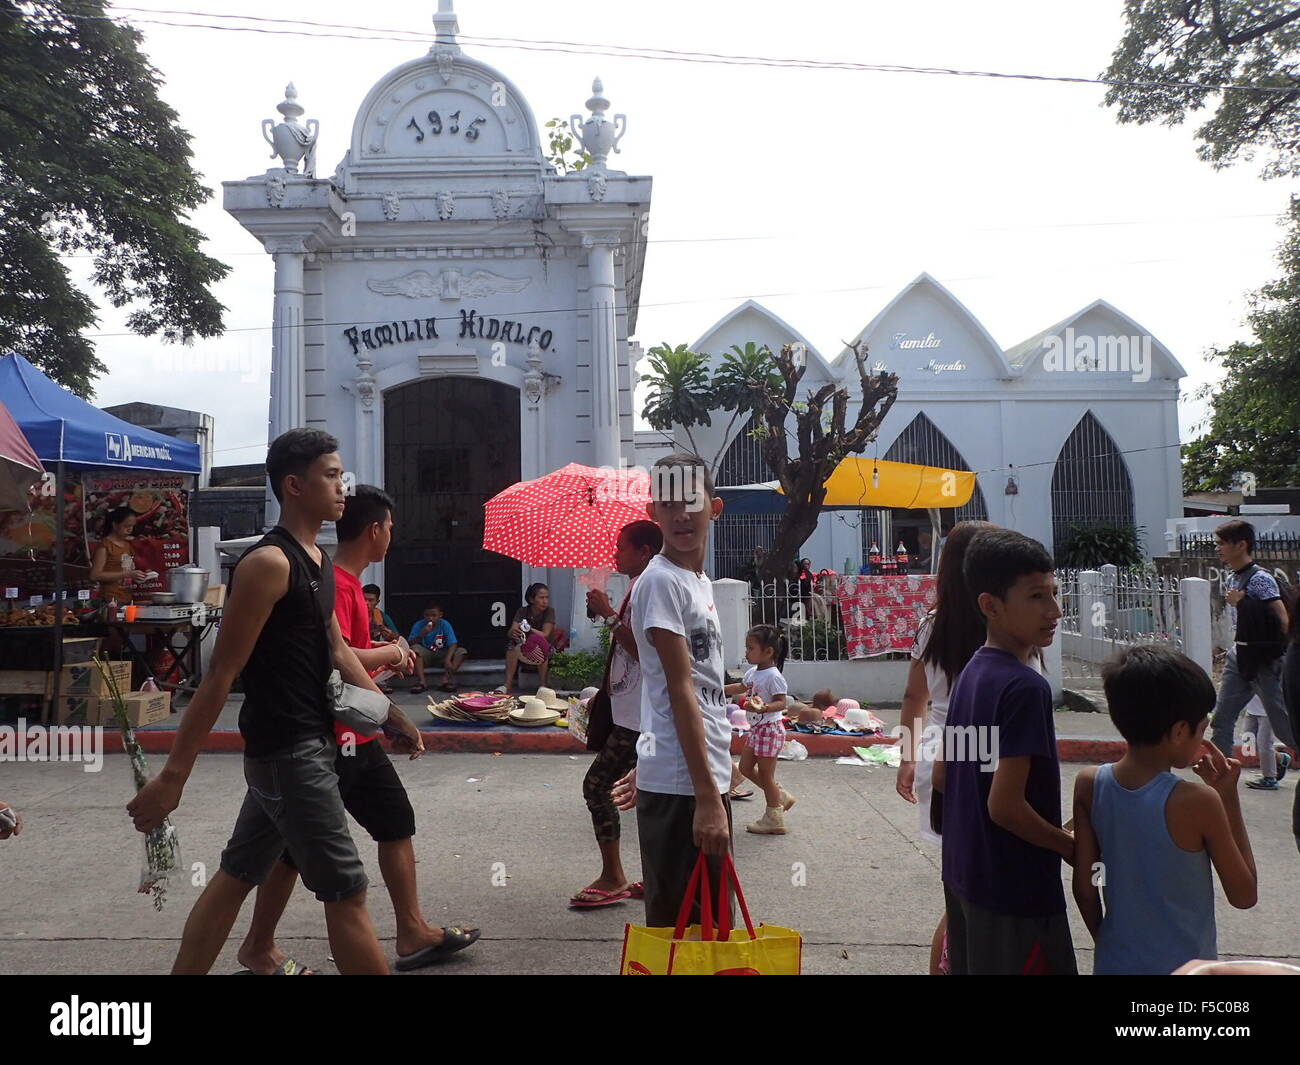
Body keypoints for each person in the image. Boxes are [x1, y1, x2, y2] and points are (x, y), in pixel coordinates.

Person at [126, 428, 426, 975]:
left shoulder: (315, 559)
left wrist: (391, 716)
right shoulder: (269, 564)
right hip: (289, 751)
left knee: (238, 875)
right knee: (347, 892)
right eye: (331, 476)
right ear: (294, 485)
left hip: (300, 748)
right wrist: (173, 777)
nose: (342, 488)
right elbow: (220, 674)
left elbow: (336, 648)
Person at [235, 485, 478, 974]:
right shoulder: (334, 581)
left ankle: (406, 930)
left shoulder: (333, 577)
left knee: (360, 831)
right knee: (318, 858)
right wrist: (391, 668)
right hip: (333, 738)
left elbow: (345, 657)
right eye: (391, 527)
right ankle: (264, 946)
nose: (392, 536)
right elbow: (337, 656)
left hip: (342, 734)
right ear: (375, 531)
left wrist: (386, 692)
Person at [1071, 645, 1257, 975]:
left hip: (1116, 963)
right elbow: (1244, 894)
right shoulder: (1199, 802)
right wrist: (1228, 796)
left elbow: (1085, 888)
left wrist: (1109, 944)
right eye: (1202, 727)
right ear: (1180, 731)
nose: (1204, 736)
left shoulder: (1090, 785)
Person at [938, 528, 1074, 975]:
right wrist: (1069, 846)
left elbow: (945, 776)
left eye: (1055, 593)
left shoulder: (971, 673)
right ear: (990, 606)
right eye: (1036, 597)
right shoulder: (1025, 687)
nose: (1054, 610)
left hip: (964, 877)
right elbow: (1005, 806)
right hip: (1016, 893)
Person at [611, 453, 733, 928]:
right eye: (668, 502)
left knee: (708, 929)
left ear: (714, 507)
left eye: (692, 499)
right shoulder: (661, 581)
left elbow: (694, 687)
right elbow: (679, 689)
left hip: (697, 776)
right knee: (683, 933)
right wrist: (705, 796)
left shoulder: (695, 580)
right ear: (652, 513)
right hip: (687, 788)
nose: (682, 513)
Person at [895, 519, 994, 974]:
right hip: (986, 754)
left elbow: (915, 696)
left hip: (940, 750)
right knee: (977, 890)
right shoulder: (999, 620)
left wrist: (908, 758)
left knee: (957, 889)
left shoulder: (932, 623)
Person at [569, 519, 663, 909]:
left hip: (642, 718)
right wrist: (604, 694)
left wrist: (609, 615)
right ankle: (657, 875)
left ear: (644, 552)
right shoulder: (638, 586)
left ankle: (614, 876)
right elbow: (626, 651)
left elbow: (647, 652)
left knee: (598, 786)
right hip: (627, 709)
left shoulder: (651, 587)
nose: (615, 554)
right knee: (653, 794)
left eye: (623, 547)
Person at [1209, 520, 1294, 758]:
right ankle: (1221, 779)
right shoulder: (1232, 578)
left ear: (1241, 545)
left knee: (1284, 725)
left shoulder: (1260, 579)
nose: (1217, 548)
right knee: (1221, 719)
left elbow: (1283, 620)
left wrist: (1244, 602)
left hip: (1265, 661)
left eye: (1222, 543)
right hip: (1240, 657)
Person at [728, 624, 795, 834]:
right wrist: (714, 689)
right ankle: (779, 795)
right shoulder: (753, 672)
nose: (746, 653)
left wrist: (764, 707)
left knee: (766, 775)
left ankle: (774, 818)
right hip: (757, 730)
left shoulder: (774, 676)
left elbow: (782, 702)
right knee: (746, 769)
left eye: (750, 649)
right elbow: (741, 687)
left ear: (768, 652)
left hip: (770, 729)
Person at [499, 583, 556, 695]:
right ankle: (507, 685)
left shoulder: (549, 611)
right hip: (525, 645)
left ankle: (543, 685)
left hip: (546, 647)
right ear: (531, 599)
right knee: (512, 646)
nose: (545, 601)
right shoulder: (522, 611)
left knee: (542, 646)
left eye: (547, 598)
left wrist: (529, 629)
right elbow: (511, 631)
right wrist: (514, 632)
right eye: (541, 598)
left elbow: (545, 634)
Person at [408, 602, 468, 694]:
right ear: (424, 615)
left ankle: (445, 680)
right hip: (426, 654)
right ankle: (422, 682)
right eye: (427, 615)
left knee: (461, 652)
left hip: (442, 654)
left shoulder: (445, 624)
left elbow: (453, 643)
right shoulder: (419, 625)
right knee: (415, 649)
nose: (430, 618)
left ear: (440, 615)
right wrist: (421, 635)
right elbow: (410, 643)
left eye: (434, 615)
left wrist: (448, 660)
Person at [88, 506, 138, 605]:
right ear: (115, 525)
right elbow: (95, 575)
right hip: (110, 600)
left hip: (127, 598)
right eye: (126, 526)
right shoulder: (105, 545)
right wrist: (127, 574)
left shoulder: (127, 545)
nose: (130, 529)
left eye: (132, 526)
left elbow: (128, 569)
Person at [1242, 695, 1291, 790]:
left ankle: (1270, 778)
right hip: (1251, 709)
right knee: (1249, 743)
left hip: (1268, 711)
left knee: (1264, 744)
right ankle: (1281, 758)